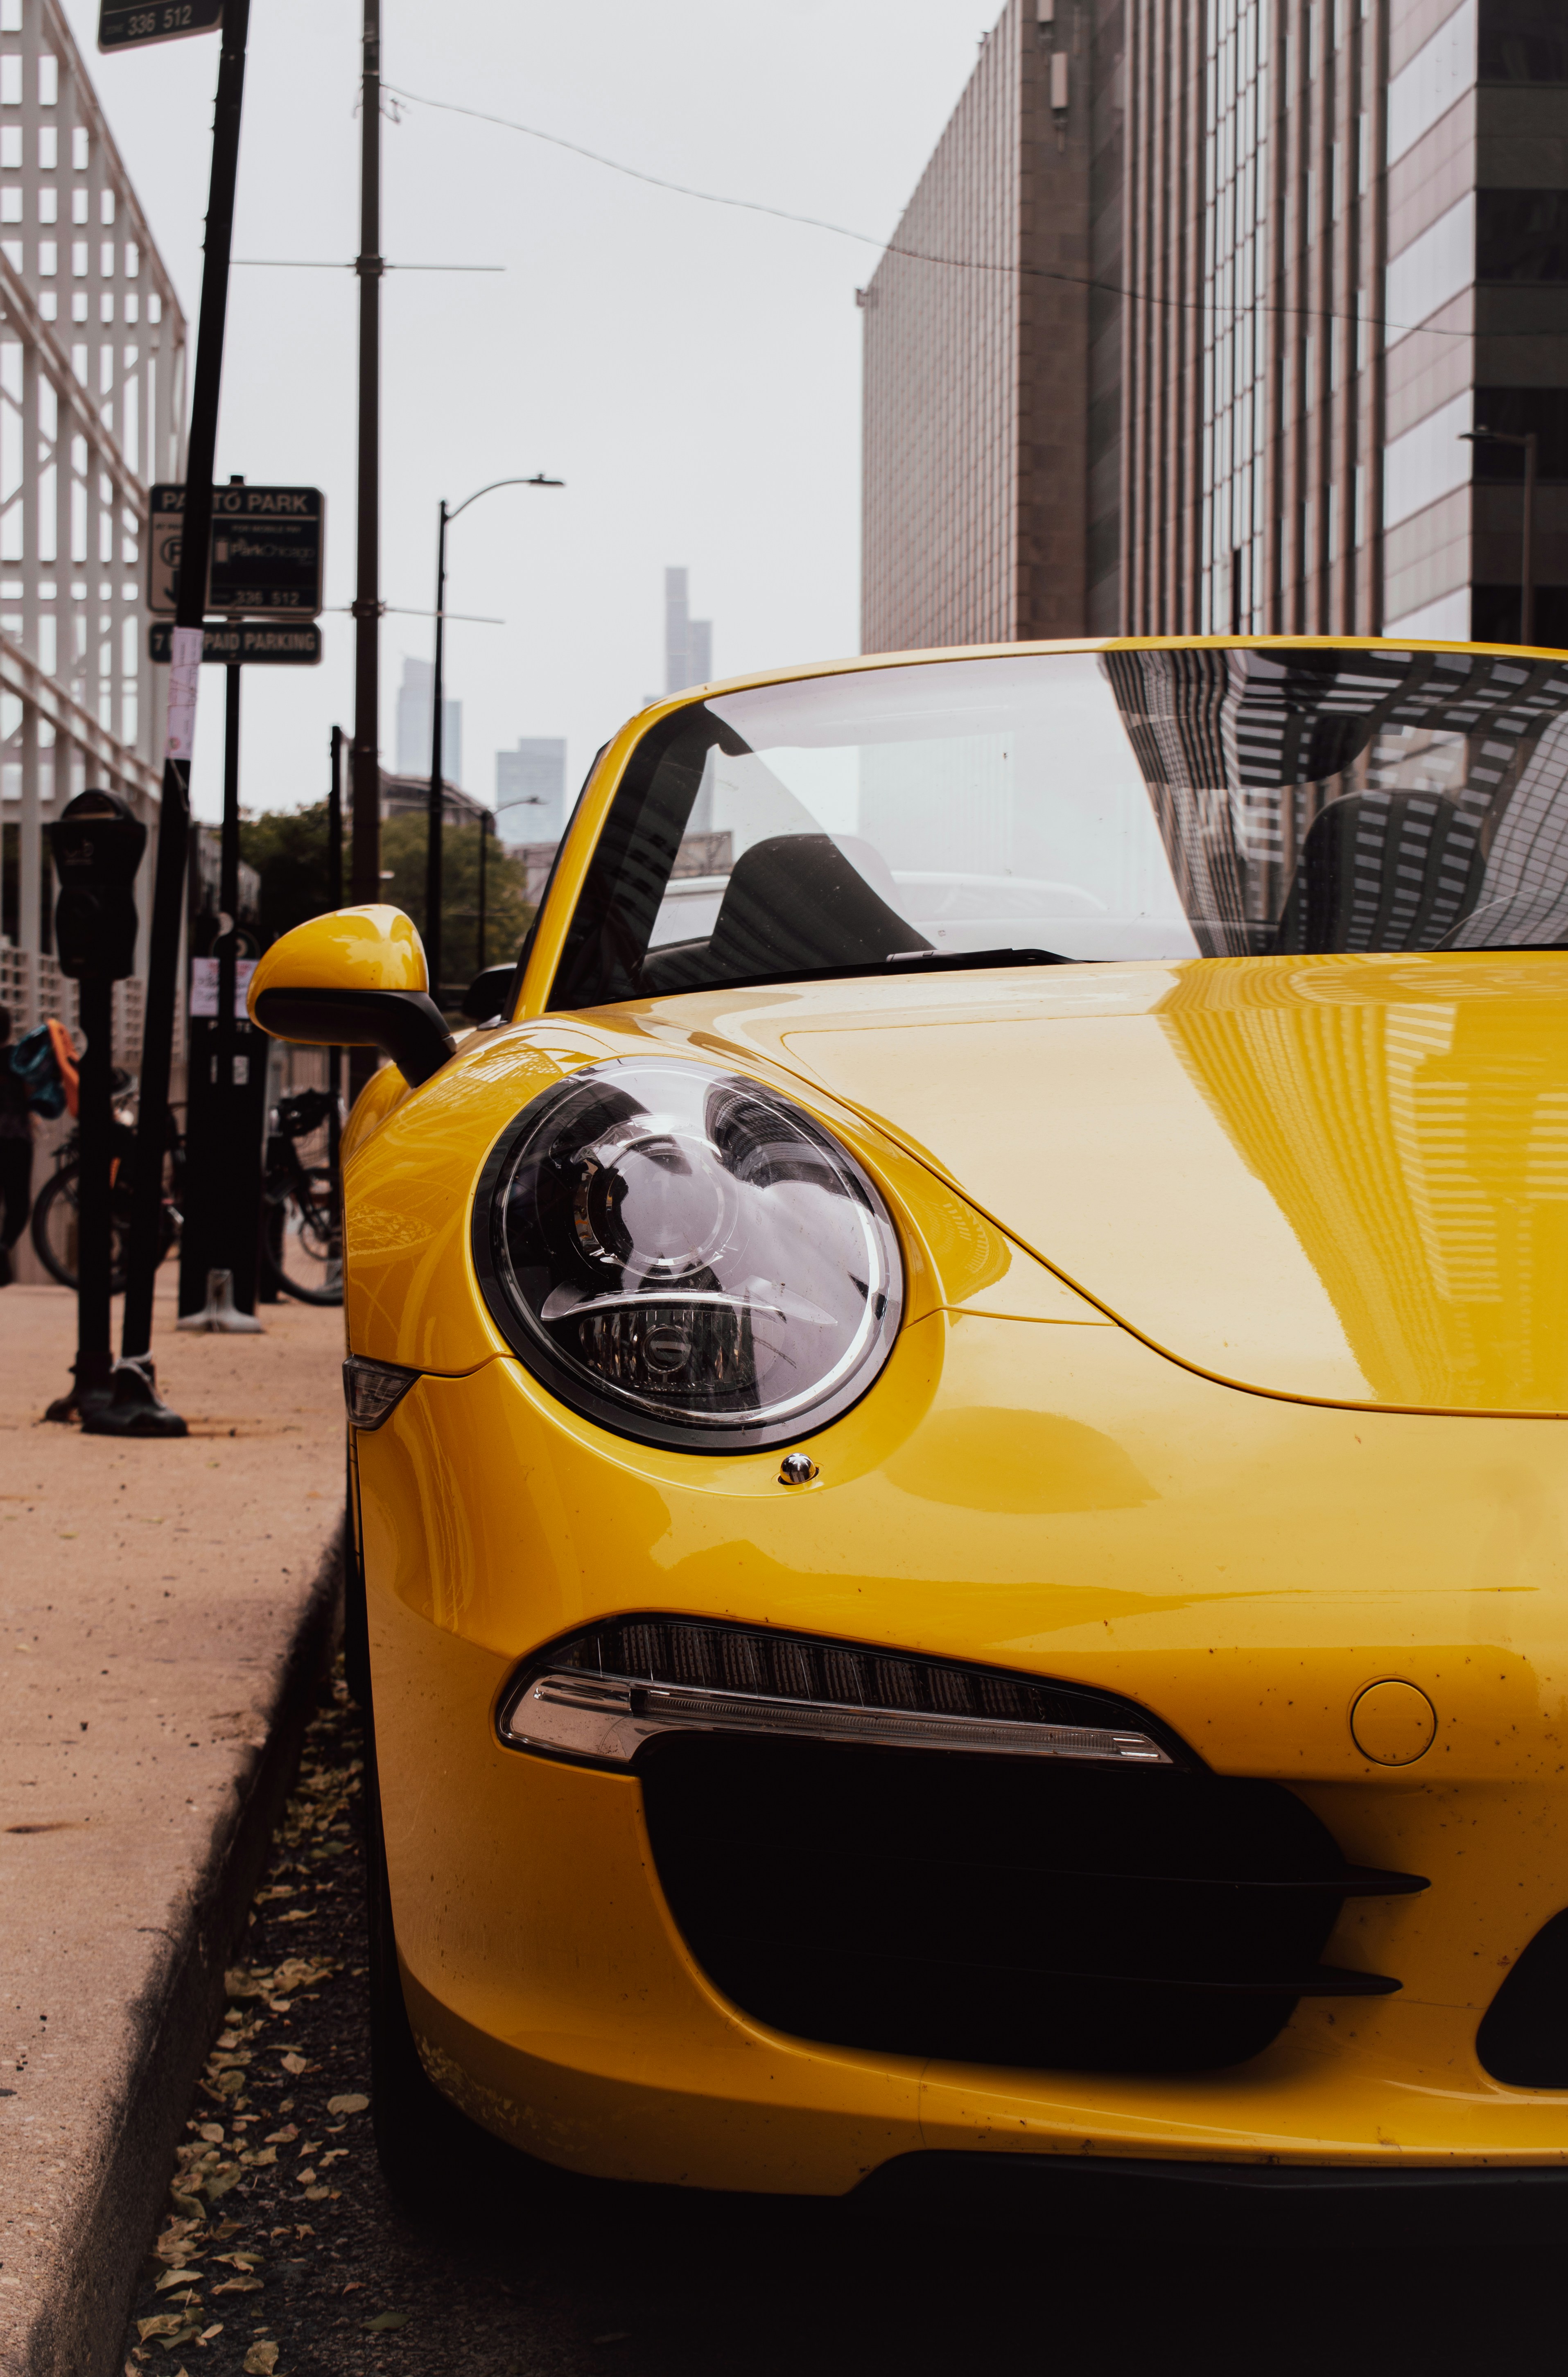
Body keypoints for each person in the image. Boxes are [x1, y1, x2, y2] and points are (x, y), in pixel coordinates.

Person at [0, 1003, 35, 1286]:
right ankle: (4, 1246)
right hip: (16, 1138)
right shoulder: (18, 1060)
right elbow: (33, 1094)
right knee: (18, 1203)